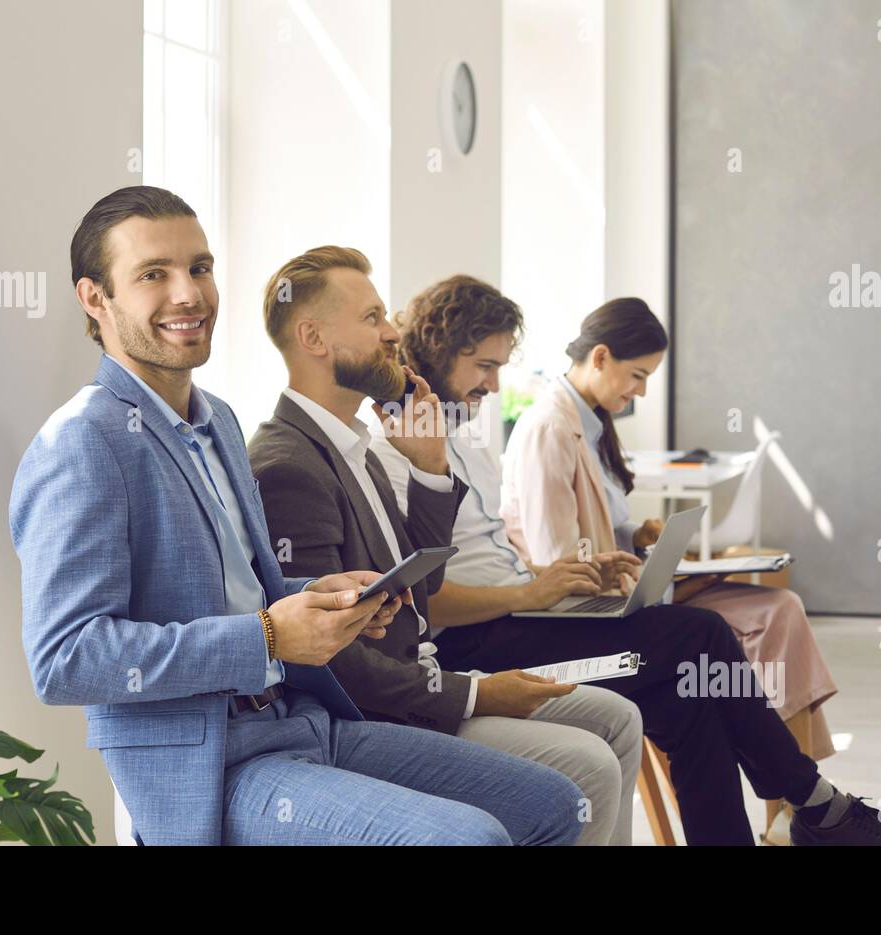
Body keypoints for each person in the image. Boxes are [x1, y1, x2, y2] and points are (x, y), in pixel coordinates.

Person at [8, 188, 582, 846]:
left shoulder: (216, 420)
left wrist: (321, 598)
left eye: (199, 267)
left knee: (553, 803)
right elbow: (64, 659)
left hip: (307, 719)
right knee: (469, 838)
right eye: (152, 274)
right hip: (214, 766)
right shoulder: (82, 442)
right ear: (94, 298)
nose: (189, 294)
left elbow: (250, 589)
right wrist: (267, 637)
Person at [371, 273, 881, 846]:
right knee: (701, 635)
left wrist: (549, 580)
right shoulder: (399, 454)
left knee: (693, 699)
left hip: (520, 615)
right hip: (481, 642)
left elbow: (490, 562)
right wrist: (530, 592)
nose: (495, 385)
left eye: (498, 368)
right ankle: (818, 807)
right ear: (443, 350)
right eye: (484, 367)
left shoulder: (462, 444)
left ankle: (811, 811)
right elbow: (427, 599)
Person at [247, 246, 642, 845]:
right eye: (373, 318)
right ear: (314, 338)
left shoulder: (357, 444)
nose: (390, 333)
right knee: (585, 765)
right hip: (384, 710)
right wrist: (479, 690)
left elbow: (420, 589)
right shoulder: (289, 465)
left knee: (617, 716)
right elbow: (337, 666)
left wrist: (430, 468)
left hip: (423, 678)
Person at [499, 297, 840, 843]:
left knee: (779, 610)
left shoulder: (591, 423)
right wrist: (632, 569)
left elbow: (594, 531)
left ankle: (800, 806)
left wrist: (639, 537)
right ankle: (804, 803)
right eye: (637, 376)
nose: (641, 392)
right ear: (602, 357)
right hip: (586, 613)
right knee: (753, 627)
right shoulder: (550, 428)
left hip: (625, 591)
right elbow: (556, 562)